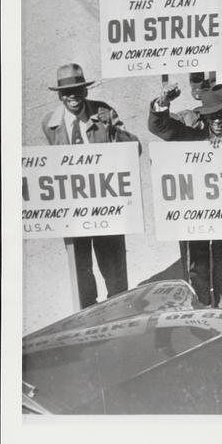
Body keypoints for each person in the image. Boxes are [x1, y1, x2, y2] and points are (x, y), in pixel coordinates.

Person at [42, 63, 140, 308]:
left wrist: (113, 131)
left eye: (78, 90)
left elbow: (133, 149)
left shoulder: (103, 112)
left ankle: (118, 309)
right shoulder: (50, 123)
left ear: (85, 91)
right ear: (60, 95)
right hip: (73, 206)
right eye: (67, 92)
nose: (73, 97)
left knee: (114, 265)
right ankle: (87, 313)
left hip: (105, 203)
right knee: (79, 266)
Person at [148, 83, 222, 306]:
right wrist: (163, 102)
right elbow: (159, 126)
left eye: (221, 114)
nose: (217, 120)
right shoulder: (190, 123)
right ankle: (201, 306)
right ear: (204, 115)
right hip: (194, 205)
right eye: (212, 116)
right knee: (198, 262)